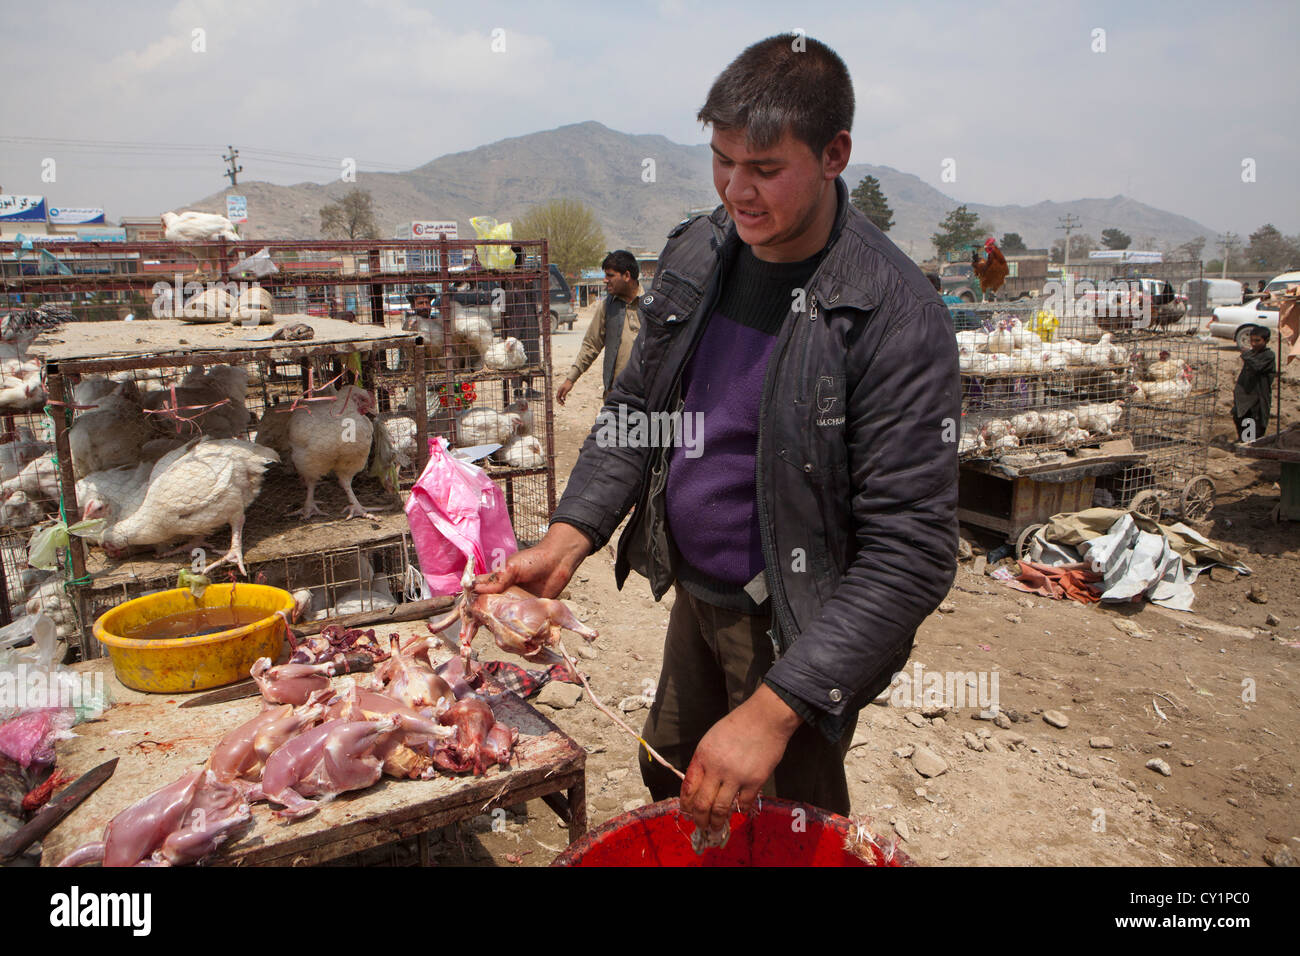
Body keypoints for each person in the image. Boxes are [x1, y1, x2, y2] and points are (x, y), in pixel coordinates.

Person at [476, 35, 959, 832]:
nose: (738, 189)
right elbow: (637, 406)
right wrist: (570, 533)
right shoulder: (700, 253)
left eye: (765, 169)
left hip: (796, 625)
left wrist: (775, 712)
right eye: (722, 160)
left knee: (781, 817)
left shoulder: (893, 317)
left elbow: (911, 554)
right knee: (672, 773)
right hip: (696, 600)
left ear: (835, 153)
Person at [556, 251, 643, 406]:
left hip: (648, 397)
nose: (605, 280)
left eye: (610, 276)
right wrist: (570, 379)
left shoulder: (652, 304)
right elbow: (591, 345)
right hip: (617, 396)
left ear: (627, 276)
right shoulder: (607, 307)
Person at [1233, 327, 1276, 441]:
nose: (1253, 344)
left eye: (1257, 341)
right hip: (1245, 396)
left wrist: (1246, 355)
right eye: (1252, 340)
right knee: (1240, 416)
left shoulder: (1269, 355)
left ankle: (1250, 442)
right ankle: (1244, 440)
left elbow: (1257, 367)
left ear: (1266, 341)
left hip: (1259, 396)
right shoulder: (1251, 354)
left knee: (1255, 420)